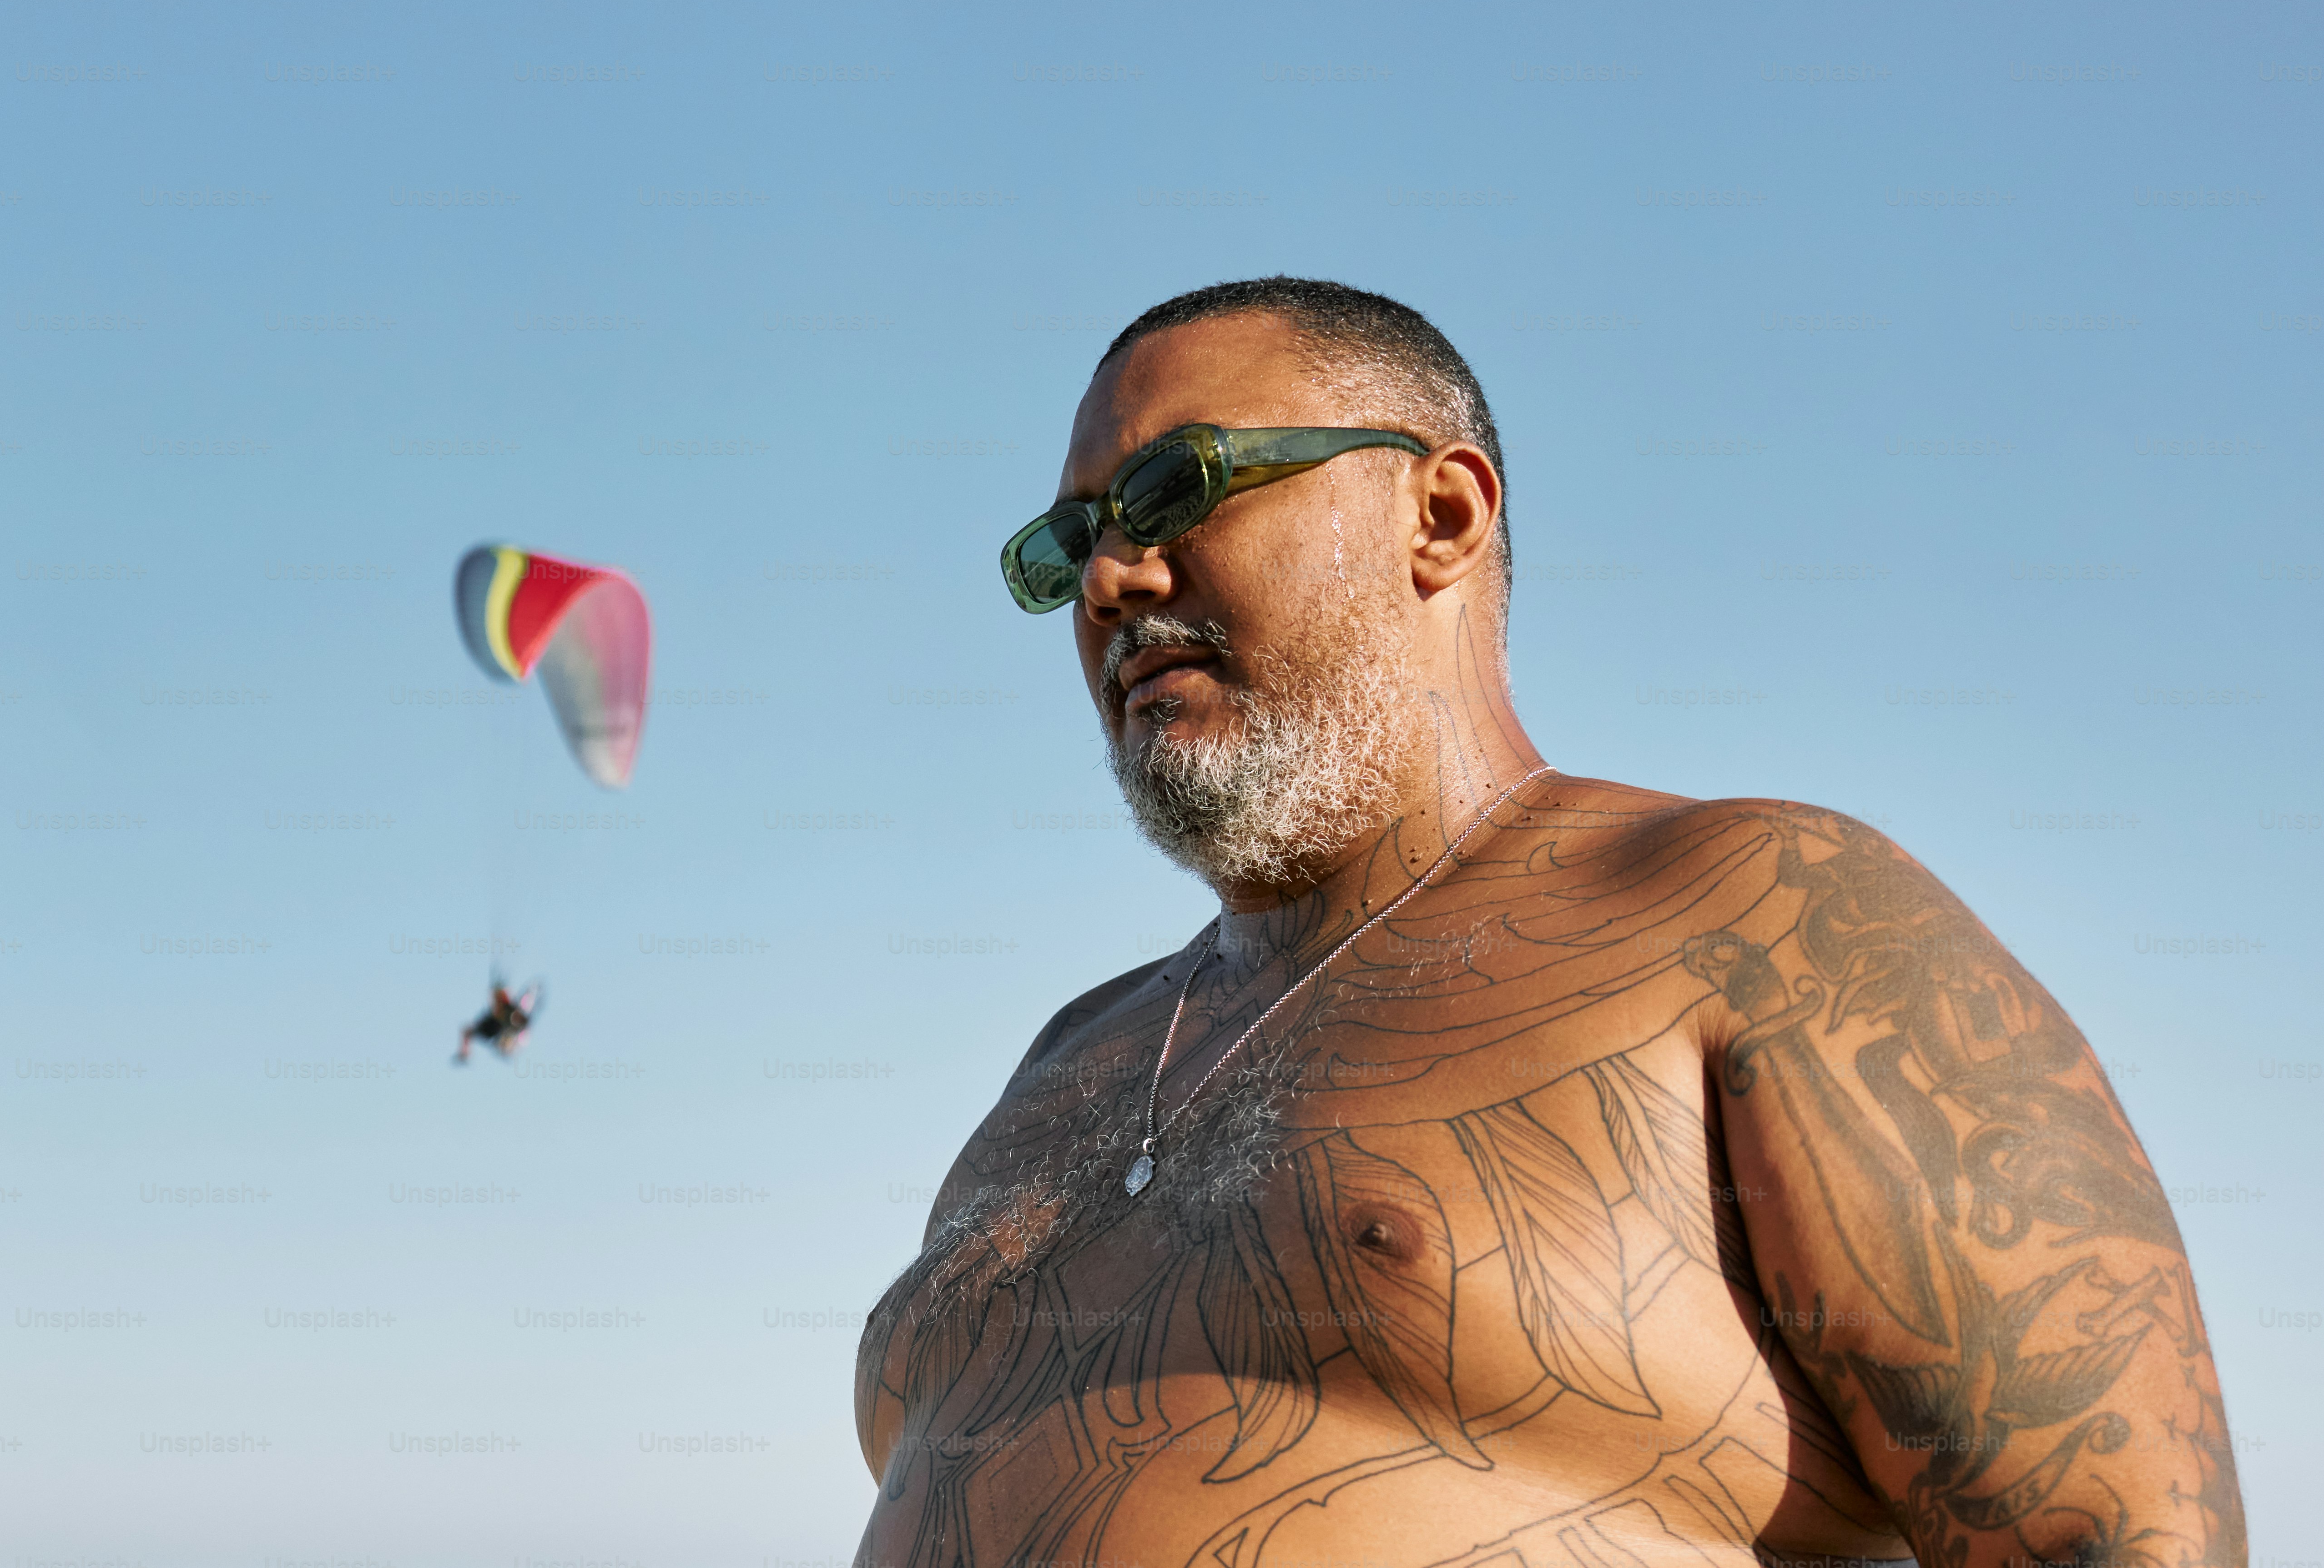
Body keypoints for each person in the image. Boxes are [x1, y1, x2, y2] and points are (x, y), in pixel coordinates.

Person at [854, 278, 2242, 1568]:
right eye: (1067, 542)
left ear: (1441, 514)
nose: (1111, 576)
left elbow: (2119, 1534)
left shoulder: (1760, 908)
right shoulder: (1066, 1059)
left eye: (1172, 489)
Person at [454, 978, 535, 1064]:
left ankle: (465, 1053)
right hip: (493, 1025)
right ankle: (465, 1053)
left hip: (496, 1031)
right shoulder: (508, 1006)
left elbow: (512, 1046)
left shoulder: (516, 1033)